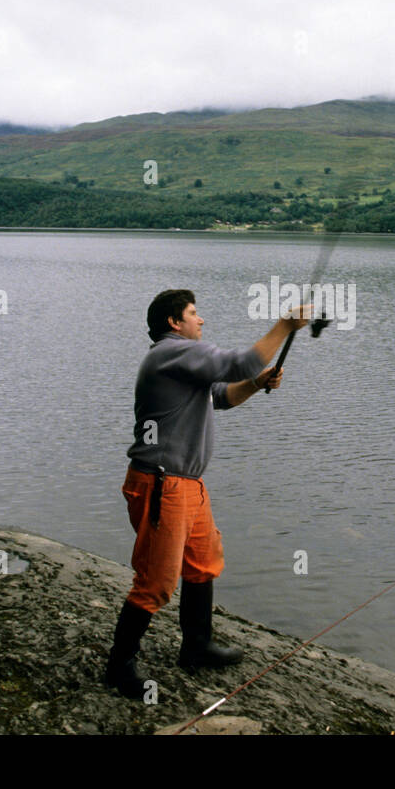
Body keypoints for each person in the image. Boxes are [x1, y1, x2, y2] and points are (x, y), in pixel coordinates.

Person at [104, 288, 310, 698]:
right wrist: (284, 326)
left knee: (203, 564)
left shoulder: (182, 361)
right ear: (174, 323)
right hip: (163, 483)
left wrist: (257, 383)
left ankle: (196, 646)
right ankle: (118, 665)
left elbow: (222, 395)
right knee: (156, 582)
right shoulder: (170, 352)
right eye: (194, 314)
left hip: (189, 485)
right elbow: (239, 362)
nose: (202, 320)